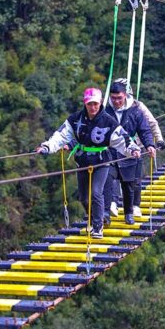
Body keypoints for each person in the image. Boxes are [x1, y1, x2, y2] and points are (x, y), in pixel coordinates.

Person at [37, 87, 140, 238]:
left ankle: (98, 227)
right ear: (85, 103)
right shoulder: (75, 119)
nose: (93, 107)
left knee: (97, 192)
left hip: (101, 161)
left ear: (100, 103)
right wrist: (47, 147)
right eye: (90, 104)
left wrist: (132, 149)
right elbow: (61, 136)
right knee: (84, 197)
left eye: (95, 104)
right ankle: (92, 219)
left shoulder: (108, 121)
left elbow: (122, 138)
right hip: (83, 160)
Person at [108, 78, 165, 219]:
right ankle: (113, 203)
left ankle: (135, 206)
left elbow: (150, 125)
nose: (117, 101)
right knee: (112, 175)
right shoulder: (107, 108)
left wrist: (157, 141)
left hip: (136, 147)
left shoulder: (138, 107)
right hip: (116, 148)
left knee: (134, 179)